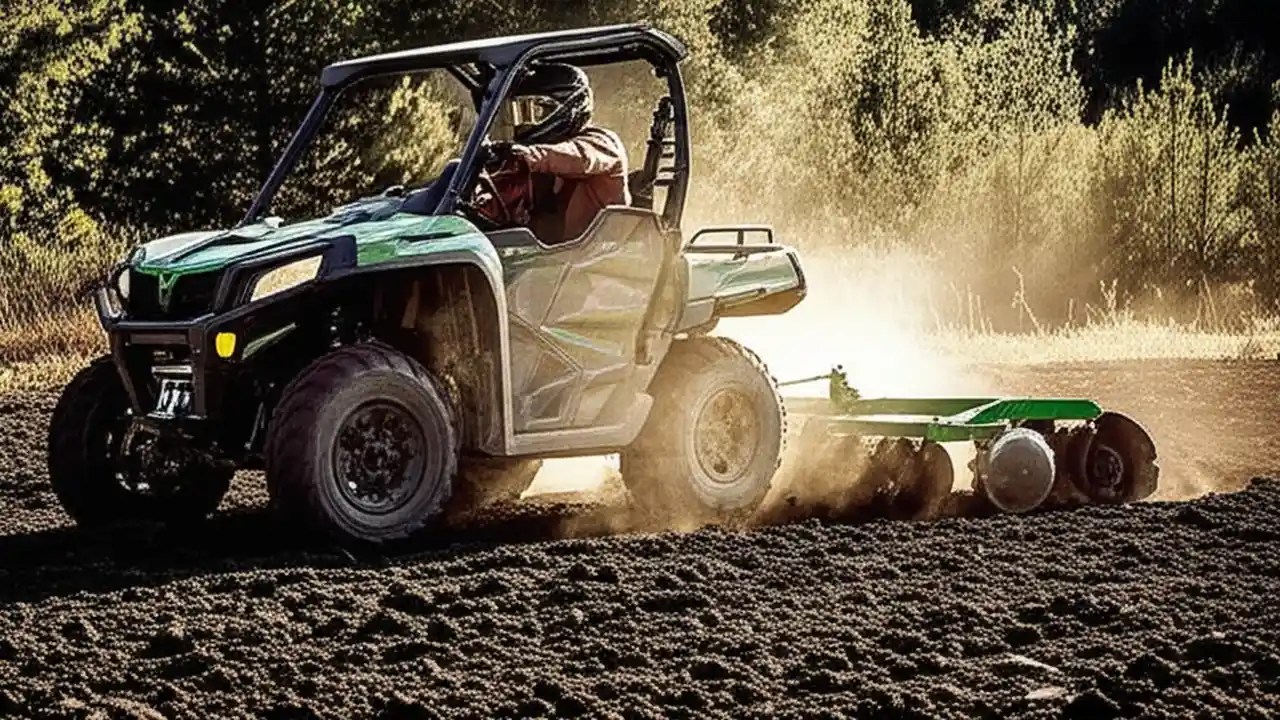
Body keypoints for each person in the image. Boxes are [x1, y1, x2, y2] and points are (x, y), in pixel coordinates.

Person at [480, 63, 631, 244]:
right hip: (565, 257)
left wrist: (527, 155)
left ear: (568, 107)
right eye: (521, 113)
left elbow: (580, 157)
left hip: (604, 257)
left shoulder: (603, 142)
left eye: (536, 112)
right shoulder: (546, 166)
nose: (526, 123)